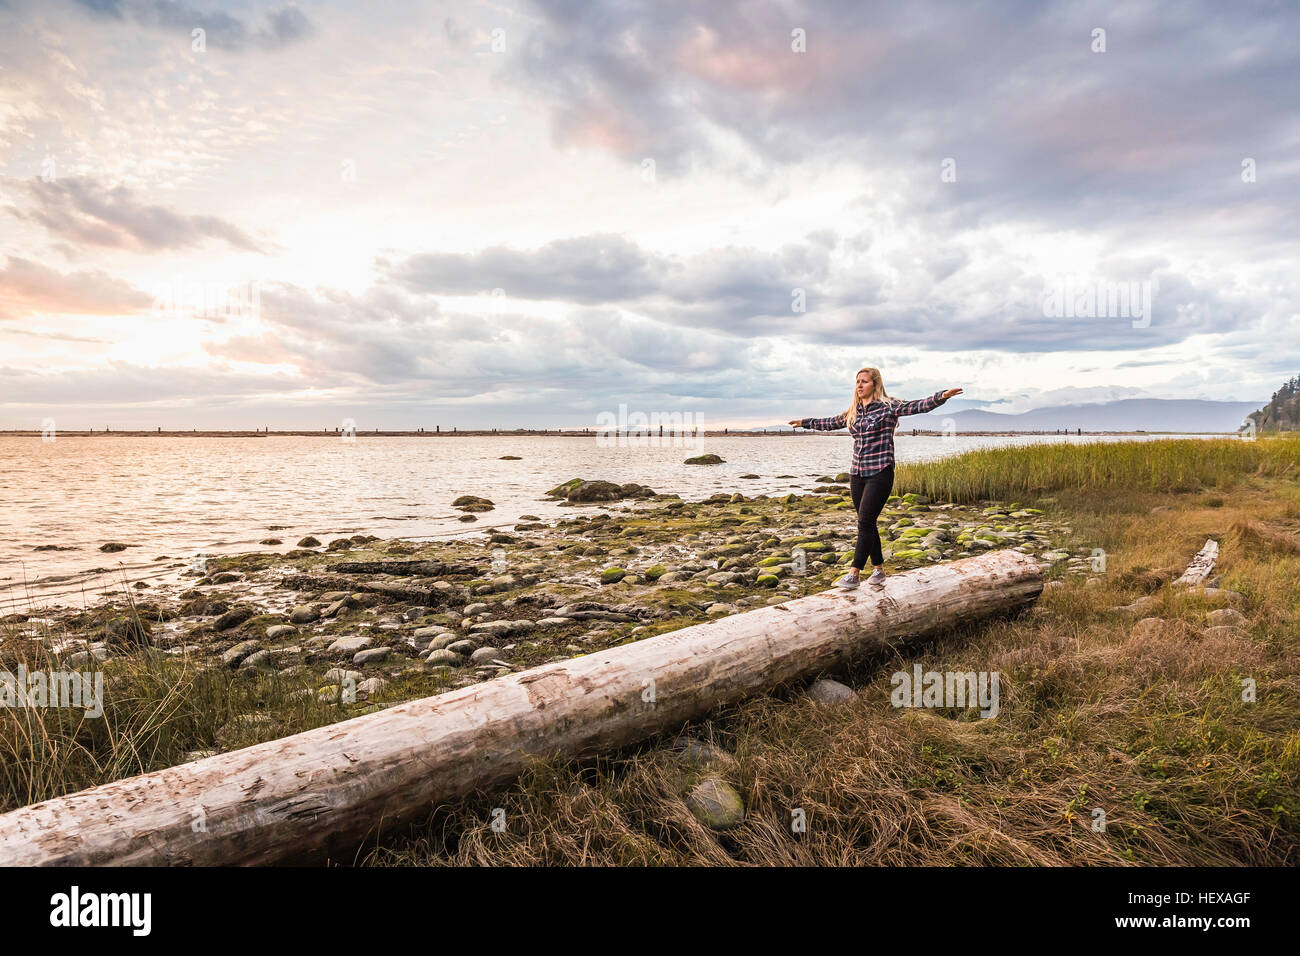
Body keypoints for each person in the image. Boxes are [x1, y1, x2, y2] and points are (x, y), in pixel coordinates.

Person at [789, 368, 962, 589]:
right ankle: (879, 570)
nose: (859, 385)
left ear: (875, 384)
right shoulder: (854, 411)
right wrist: (805, 422)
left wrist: (942, 396)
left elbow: (918, 406)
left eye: (864, 381)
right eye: (857, 382)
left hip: (880, 471)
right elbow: (830, 422)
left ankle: (854, 573)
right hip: (857, 473)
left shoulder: (889, 407)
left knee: (865, 522)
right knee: (866, 523)